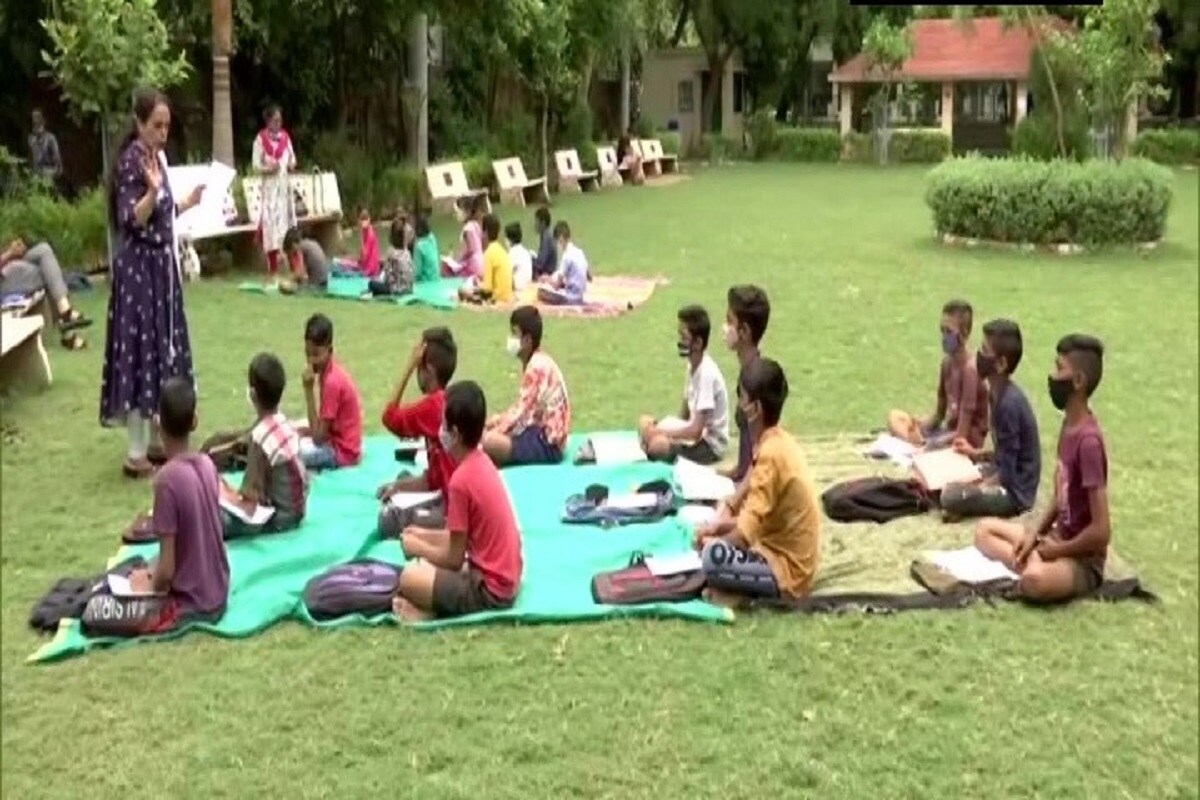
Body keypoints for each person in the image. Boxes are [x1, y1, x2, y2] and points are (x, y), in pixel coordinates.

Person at [100, 88, 204, 479]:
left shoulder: (156, 157)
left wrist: (186, 201)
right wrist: (155, 191)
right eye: (156, 125)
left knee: (163, 350)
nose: (162, 133)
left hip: (161, 271)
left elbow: (162, 214)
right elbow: (133, 218)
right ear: (140, 123)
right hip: (139, 274)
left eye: (166, 126)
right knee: (140, 352)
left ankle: (160, 438)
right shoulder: (131, 162)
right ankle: (135, 452)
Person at [975, 334, 1110, 603]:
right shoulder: (1068, 426)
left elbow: (1101, 531)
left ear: (1079, 381)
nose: (1052, 376)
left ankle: (1034, 564)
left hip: (1081, 560)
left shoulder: (1089, 442)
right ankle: (1032, 559)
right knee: (983, 532)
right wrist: (1036, 535)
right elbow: (1061, 496)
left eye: (1059, 369)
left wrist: (1058, 550)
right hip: (1056, 539)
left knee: (1034, 581)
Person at [391, 380, 524, 622]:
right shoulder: (482, 461)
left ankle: (429, 612)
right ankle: (432, 606)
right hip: (505, 574)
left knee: (409, 577)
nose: (439, 430)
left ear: (454, 434)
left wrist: (417, 547)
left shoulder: (460, 481)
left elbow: (453, 558)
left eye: (443, 423)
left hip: (492, 591)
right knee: (426, 569)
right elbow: (458, 537)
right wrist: (422, 534)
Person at [693, 359, 820, 607]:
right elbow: (755, 518)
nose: (739, 405)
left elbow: (743, 535)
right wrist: (716, 528)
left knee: (712, 558)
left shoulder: (771, 454)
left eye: (742, 398)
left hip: (788, 570)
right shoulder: (775, 441)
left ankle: (743, 596)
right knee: (714, 544)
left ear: (755, 408)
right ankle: (738, 593)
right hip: (779, 551)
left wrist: (715, 542)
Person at [125, 376, 230, 631]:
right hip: (219, 590)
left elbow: (168, 571)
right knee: (142, 564)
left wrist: (147, 587)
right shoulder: (207, 464)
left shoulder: (166, 481)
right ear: (195, 421)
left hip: (194, 604)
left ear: (158, 423)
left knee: (104, 607)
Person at [940, 319, 1041, 521]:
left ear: (1001, 364)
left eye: (985, 350)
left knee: (949, 496)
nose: (979, 355)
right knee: (951, 480)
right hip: (1003, 472)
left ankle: (966, 506)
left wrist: (978, 488)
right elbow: (1005, 453)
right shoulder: (996, 394)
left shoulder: (1008, 404)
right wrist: (974, 453)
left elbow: (1007, 473)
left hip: (1015, 494)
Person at [377, 327, 458, 535]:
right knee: (402, 478)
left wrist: (409, 366)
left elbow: (389, 417)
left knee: (388, 520)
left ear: (428, 370)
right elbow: (434, 477)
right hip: (448, 492)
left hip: (454, 509)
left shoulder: (432, 406)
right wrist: (399, 486)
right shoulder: (446, 399)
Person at [219, 353, 308, 539]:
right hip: (298, 510)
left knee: (219, 518)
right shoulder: (285, 423)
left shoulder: (259, 436)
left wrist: (228, 494)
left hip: (279, 519)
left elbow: (251, 492)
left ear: (252, 394)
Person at [887, 299, 988, 450]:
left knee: (935, 446)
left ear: (965, 332)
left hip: (966, 441)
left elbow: (962, 434)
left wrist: (931, 444)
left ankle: (918, 447)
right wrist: (918, 428)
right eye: (942, 331)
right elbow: (939, 415)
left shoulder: (971, 371)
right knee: (895, 417)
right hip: (947, 432)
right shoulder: (947, 364)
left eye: (949, 332)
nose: (944, 337)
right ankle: (916, 445)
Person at [639, 304, 729, 465]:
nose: (680, 342)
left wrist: (660, 433)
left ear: (698, 342)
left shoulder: (707, 373)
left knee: (657, 446)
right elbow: (684, 415)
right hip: (694, 438)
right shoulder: (692, 366)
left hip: (709, 447)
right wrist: (664, 432)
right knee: (645, 422)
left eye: (684, 337)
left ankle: (655, 451)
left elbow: (695, 431)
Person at [483, 305, 572, 467]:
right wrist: (497, 421)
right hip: (545, 435)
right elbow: (524, 409)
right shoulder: (538, 361)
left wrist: (493, 431)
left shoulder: (536, 367)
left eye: (514, 333)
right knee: (494, 432)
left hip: (548, 443)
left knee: (488, 442)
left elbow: (521, 416)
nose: (511, 339)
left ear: (527, 339)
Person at [0, 238, 92, 349]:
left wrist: (14, 252)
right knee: (48, 271)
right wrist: (10, 253)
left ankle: (65, 314)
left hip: (7, 267)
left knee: (44, 250)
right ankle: (66, 318)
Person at [299, 313, 363, 470]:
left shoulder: (331, 382)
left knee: (292, 456)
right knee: (294, 427)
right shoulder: (328, 371)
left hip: (343, 452)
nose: (311, 360)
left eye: (316, 354)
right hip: (334, 438)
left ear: (329, 350)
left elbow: (318, 439)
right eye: (308, 353)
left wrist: (308, 391)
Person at [722, 285, 770, 482]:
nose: (724, 328)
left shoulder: (755, 382)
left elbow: (760, 458)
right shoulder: (747, 372)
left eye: (729, 321)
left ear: (744, 331)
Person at [252, 104, 298, 286]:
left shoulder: (286, 138)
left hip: (284, 190)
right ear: (268, 121)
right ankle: (273, 271)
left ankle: (295, 268)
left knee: (288, 228)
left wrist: (291, 164)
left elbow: (292, 158)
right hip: (270, 191)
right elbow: (256, 166)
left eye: (280, 120)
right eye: (275, 120)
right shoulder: (260, 140)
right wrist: (268, 168)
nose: (278, 123)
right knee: (271, 229)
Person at [461, 213, 513, 304]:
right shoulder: (502, 251)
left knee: (463, 292)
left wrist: (476, 289)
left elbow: (487, 289)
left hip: (496, 298)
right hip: (507, 295)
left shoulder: (489, 253)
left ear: (485, 233)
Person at [536, 221, 588, 306]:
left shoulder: (566, 256)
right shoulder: (579, 251)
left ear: (560, 239)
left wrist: (547, 279)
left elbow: (556, 285)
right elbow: (589, 276)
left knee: (541, 292)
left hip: (570, 297)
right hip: (580, 294)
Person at [368, 214, 415, 297]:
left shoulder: (392, 254)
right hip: (409, 288)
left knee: (371, 284)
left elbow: (387, 278)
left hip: (396, 290)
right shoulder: (407, 252)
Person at [443, 195, 485, 278]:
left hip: (472, 266)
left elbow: (470, 250)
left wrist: (456, 261)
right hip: (481, 262)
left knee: (447, 270)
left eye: (458, 212)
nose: (456, 215)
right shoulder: (476, 225)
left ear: (466, 212)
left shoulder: (467, 228)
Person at [335, 207, 380, 278]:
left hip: (370, 270)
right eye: (362, 220)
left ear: (369, 220)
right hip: (365, 265)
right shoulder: (366, 231)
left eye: (365, 220)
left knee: (344, 270)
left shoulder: (370, 234)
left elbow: (365, 255)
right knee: (341, 263)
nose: (363, 222)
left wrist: (360, 237)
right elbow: (361, 256)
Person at [27, 109, 64, 192]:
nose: (36, 122)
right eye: (34, 121)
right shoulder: (31, 139)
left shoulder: (50, 138)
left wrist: (50, 173)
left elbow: (58, 165)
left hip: (48, 175)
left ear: (43, 121)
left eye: (38, 120)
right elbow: (30, 161)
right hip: (35, 177)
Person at [412, 212, 440, 284]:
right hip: (435, 278)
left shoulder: (419, 246)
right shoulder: (432, 237)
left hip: (425, 281)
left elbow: (417, 271)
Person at [507, 221, 533, 292]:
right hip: (528, 290)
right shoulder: (526, 252)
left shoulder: (512, 253)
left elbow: (507, 275)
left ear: (509, 239)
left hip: (517, 291)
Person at [532, 206, 557, 278]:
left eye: (536, 222)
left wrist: (529, 259)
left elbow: (540, 263)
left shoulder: (547, 237)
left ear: (542, 223)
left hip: (547, 273)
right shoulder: (546, 233)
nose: (535, 225)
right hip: (547, 270)